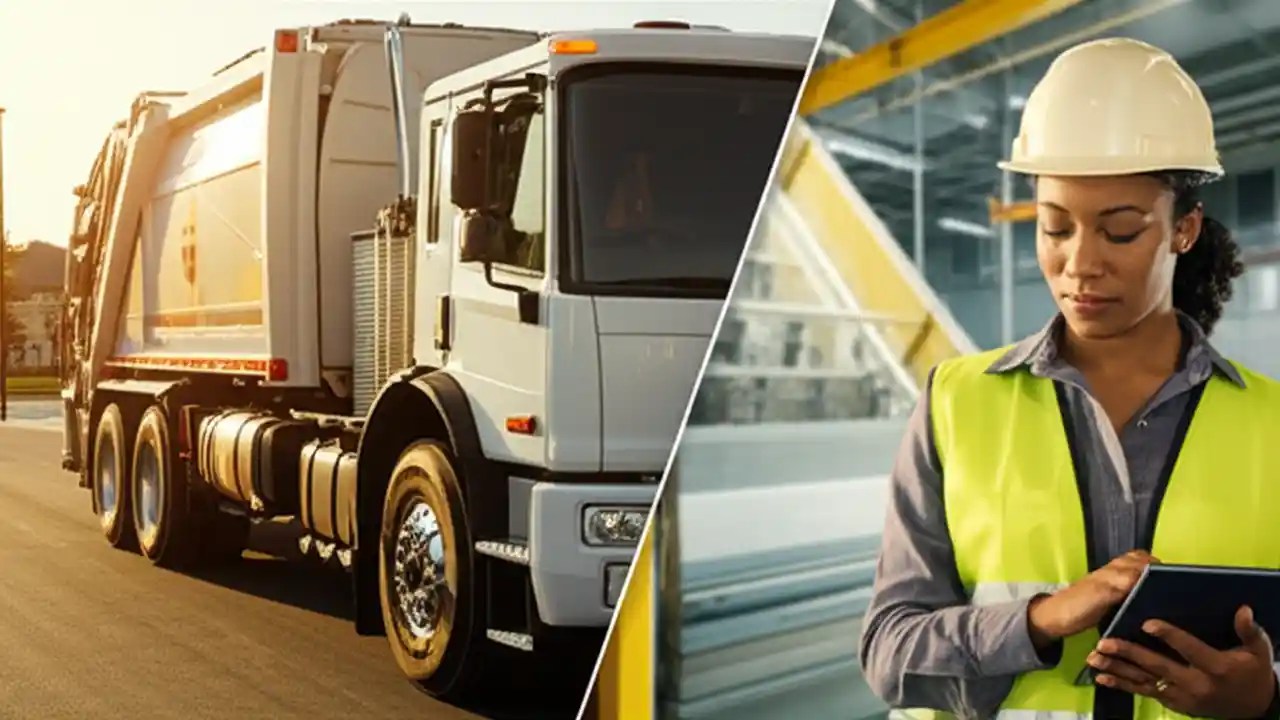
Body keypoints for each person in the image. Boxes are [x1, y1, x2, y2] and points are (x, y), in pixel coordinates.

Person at [858, 37, 1280, 720]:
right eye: (1054, 229)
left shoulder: (1273, 424)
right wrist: (1040, 620)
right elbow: (888, 654)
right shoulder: (955, 402)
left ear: (1184, 230)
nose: (1080, 265)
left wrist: (1266, 698)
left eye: (1119, 232)